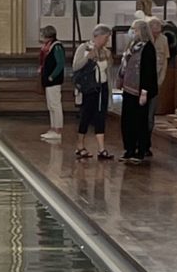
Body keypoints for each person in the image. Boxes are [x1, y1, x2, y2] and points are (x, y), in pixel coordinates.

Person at [117, 16, 158, 163]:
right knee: (127, 121)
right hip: (128, 89)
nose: (131, 32)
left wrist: (145, 91)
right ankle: (129, 149)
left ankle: (140, 151)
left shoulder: (147, 48)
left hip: (141, 90)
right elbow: (125, 65)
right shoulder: (131, 46)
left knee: (140, 121)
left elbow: (148, 71)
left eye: (134, 29)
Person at [72, 27, 112, 161]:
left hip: (102, 87)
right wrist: (88, 58)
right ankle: (80, 145)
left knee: (101, 116)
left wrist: (110, 91)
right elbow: (75, 66)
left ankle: (101, 148)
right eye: (106, 37)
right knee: (86, 116)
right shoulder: (84, 48)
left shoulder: (106, 52)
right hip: (89, 88)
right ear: (98, 36)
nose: (107, 40)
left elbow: (108, 72)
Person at [38, 24, 66, 142]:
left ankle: (58, 130)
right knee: (51, 106)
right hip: (48, 82)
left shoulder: (57, 47)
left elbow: (60, 64)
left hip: (53, 81)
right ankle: (53, 128)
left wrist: (51, 76)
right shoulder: (48, 47)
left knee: (55, 105)